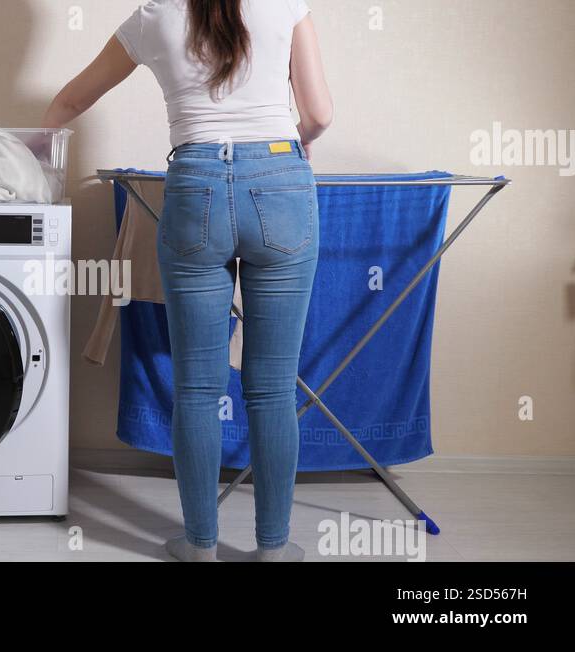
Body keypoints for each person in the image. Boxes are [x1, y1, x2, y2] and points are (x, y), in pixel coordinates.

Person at [42, 0, 333, 562]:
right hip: (280, 178)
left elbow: (70, 100)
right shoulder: (286, 7)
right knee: (272, 388)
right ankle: (274, 547)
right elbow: (319, 114)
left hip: (194, 184)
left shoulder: (152, 18)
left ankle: (199, 544)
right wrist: (284, 152)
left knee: (198, 390)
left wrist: (28, 166)